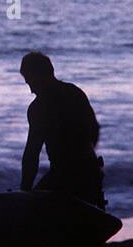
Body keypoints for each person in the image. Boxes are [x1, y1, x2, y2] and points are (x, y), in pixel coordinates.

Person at [18, 51, 105, 208]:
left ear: (39, 76)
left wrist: (24, 192)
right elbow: (94, 129)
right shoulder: (75, 92)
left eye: (30, 82)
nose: (30, 89)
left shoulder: (38, 108)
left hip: (64, 175)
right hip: (91, 171)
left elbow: (32, 153)